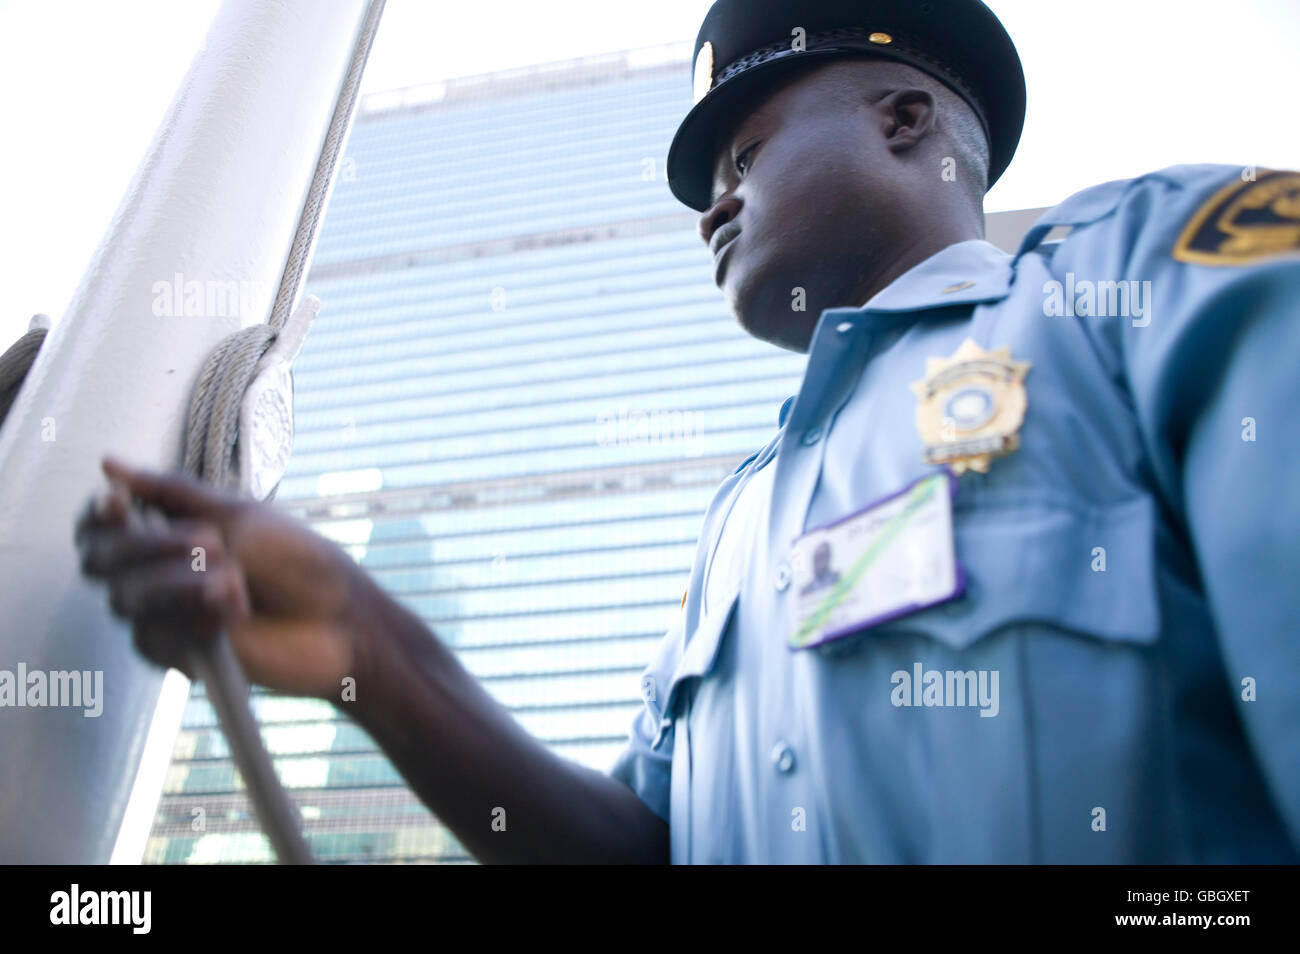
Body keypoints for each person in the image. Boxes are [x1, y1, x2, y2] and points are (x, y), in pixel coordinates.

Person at [76, 0, 1300, 863]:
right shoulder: (738, 527)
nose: (713, 204)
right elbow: (638, 854)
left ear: (906, 122)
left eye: (747, 150)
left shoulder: (1143, 280)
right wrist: (367, 643)